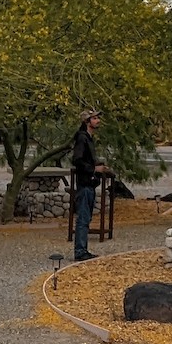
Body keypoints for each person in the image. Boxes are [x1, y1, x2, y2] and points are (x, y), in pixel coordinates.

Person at [69, 110, 101, 261]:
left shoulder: (88, 139)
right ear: (87, 122)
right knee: (83, 218)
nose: (98, 121)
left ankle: (83, 249)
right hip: (84, 184)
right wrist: (93, 169)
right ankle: (80, 251)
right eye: (94, 118)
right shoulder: (82, 138)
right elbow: (77, 160)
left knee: (86, 218)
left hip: (90, 183)